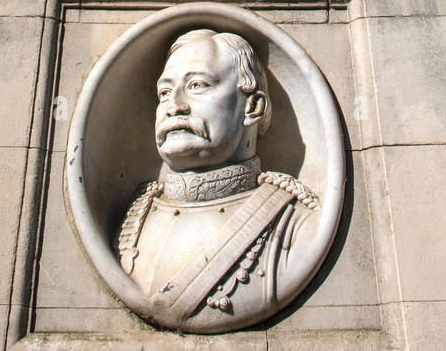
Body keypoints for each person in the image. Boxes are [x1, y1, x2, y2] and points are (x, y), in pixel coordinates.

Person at [116, 28, 318, 333]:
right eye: (165, 93)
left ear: (252, 107)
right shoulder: (129, 225)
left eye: (197, 85)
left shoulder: (299, 229)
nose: (174, 106)